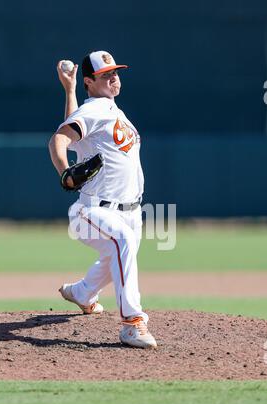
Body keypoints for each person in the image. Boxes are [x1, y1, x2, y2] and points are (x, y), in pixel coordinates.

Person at [49, 51, 157, 349]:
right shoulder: (97, 110)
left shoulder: (111, 111)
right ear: (90, 81)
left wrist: (69, 91)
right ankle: (132, 324)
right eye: (105, 74)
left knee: (117, 256)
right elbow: (59, 139)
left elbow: (75, 128)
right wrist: (65, 172)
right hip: (92, 209)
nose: (113, 77)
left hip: (130, 210)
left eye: (115, 72)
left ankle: (82, 293)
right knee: (121, 241)